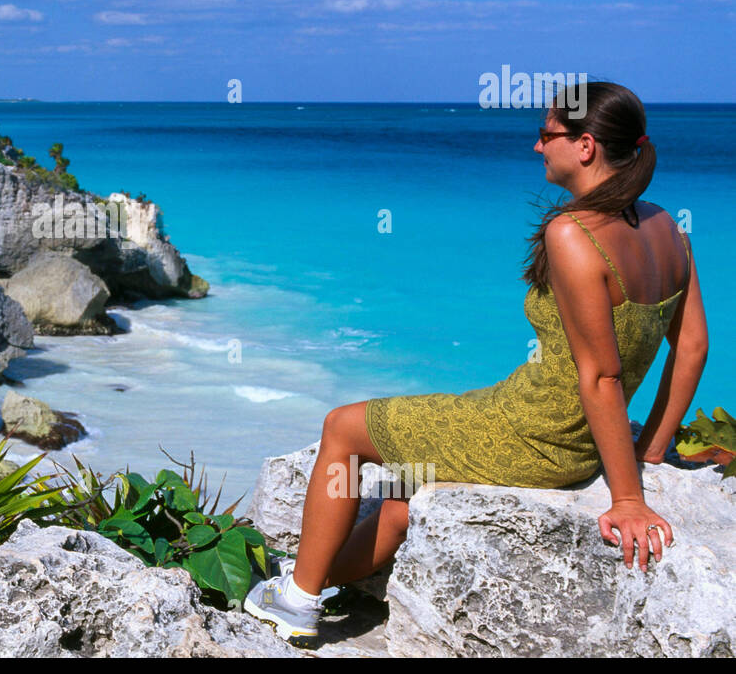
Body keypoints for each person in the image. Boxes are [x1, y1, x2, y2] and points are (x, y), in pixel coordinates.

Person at [244, 81, 710, 643]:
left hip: (533, 435)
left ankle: (295, 605)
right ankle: (304, 581)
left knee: (341, 427)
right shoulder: (669, 230)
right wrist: (651, 450)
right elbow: (691, 347)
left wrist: (629, 497)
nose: (537, 147)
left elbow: (602, 374)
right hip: (571, 437)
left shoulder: (574, 233)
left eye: (546, 134)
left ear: (585, 146)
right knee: (401, 499)